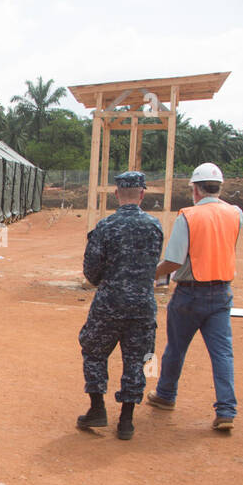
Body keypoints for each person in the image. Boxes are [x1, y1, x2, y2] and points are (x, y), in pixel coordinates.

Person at [150, 162, 243, 430]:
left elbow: (173, 261)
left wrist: (150, 275)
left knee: (176, 348)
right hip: (222, 292)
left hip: (190, 294)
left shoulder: (188, 216)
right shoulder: (236, 214)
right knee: (222, 354)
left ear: (196, 189)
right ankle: (226, 410)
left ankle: (166, 395)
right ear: (219, 188)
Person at [76, 171, 164, 440]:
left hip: (110, 302)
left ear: (116, 194)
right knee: (139, 359)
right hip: (143, 304)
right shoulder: (154, 226)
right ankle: (126, 420)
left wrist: (109, 278)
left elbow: (91, 272)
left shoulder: (105, 226)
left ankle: (97, 408)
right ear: (142, 194)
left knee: (94, 351)